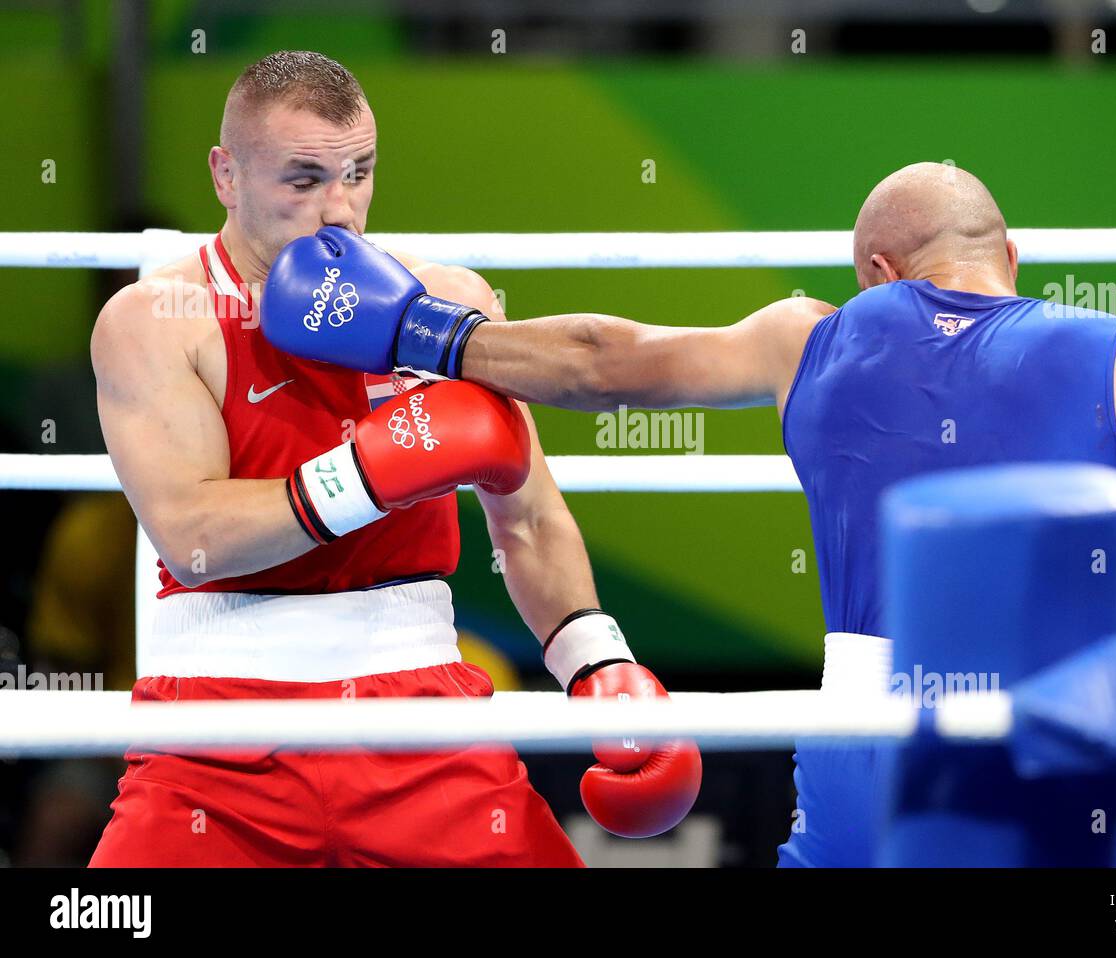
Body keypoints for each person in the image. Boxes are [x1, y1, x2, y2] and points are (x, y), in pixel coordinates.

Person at [263, 161, 1116, 866]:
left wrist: (420, 332)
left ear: (874, 272)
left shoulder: (808, 339)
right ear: (1009, 251)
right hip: (1054, 730)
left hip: (858, 741)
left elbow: (602, 364)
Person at [88, 50, 700, 868]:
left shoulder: (444, 304)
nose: (337, 210)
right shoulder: (159, 319)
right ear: (225, 174)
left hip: (423, 715)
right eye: (301, 181)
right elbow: (193, 537)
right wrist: (372, 473)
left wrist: (598, 660)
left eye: (358, 173)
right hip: (216, 731)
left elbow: (529, 517)